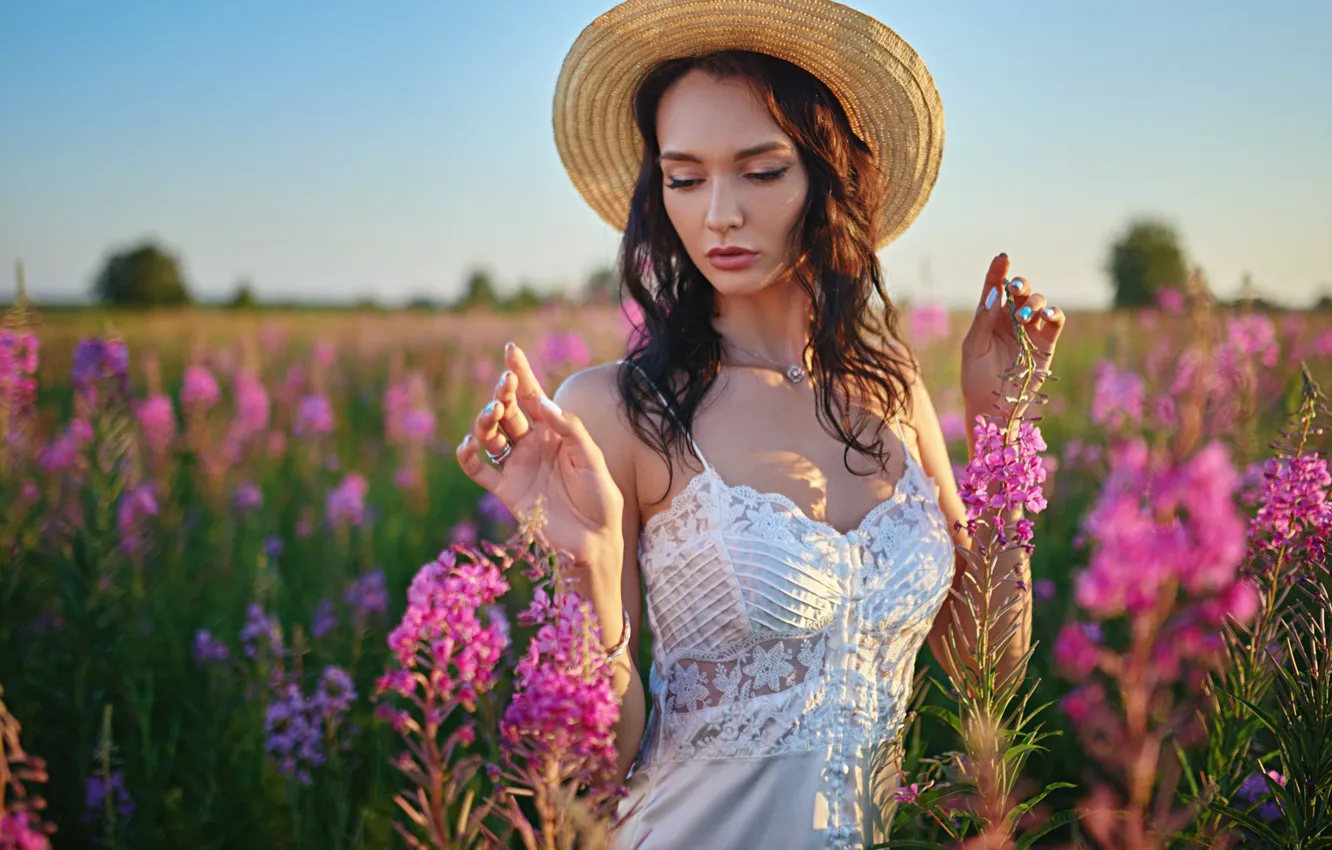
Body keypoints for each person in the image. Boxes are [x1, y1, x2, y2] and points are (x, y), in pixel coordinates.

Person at [456, 0, 1065, 846]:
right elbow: (599, 766)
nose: (720, 215)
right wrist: (584, 565)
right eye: (685, 177)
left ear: (829, 177)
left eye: (761, 170)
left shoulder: (893, 389)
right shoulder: (618, 409)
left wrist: (1001, 433)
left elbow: (986, 669)